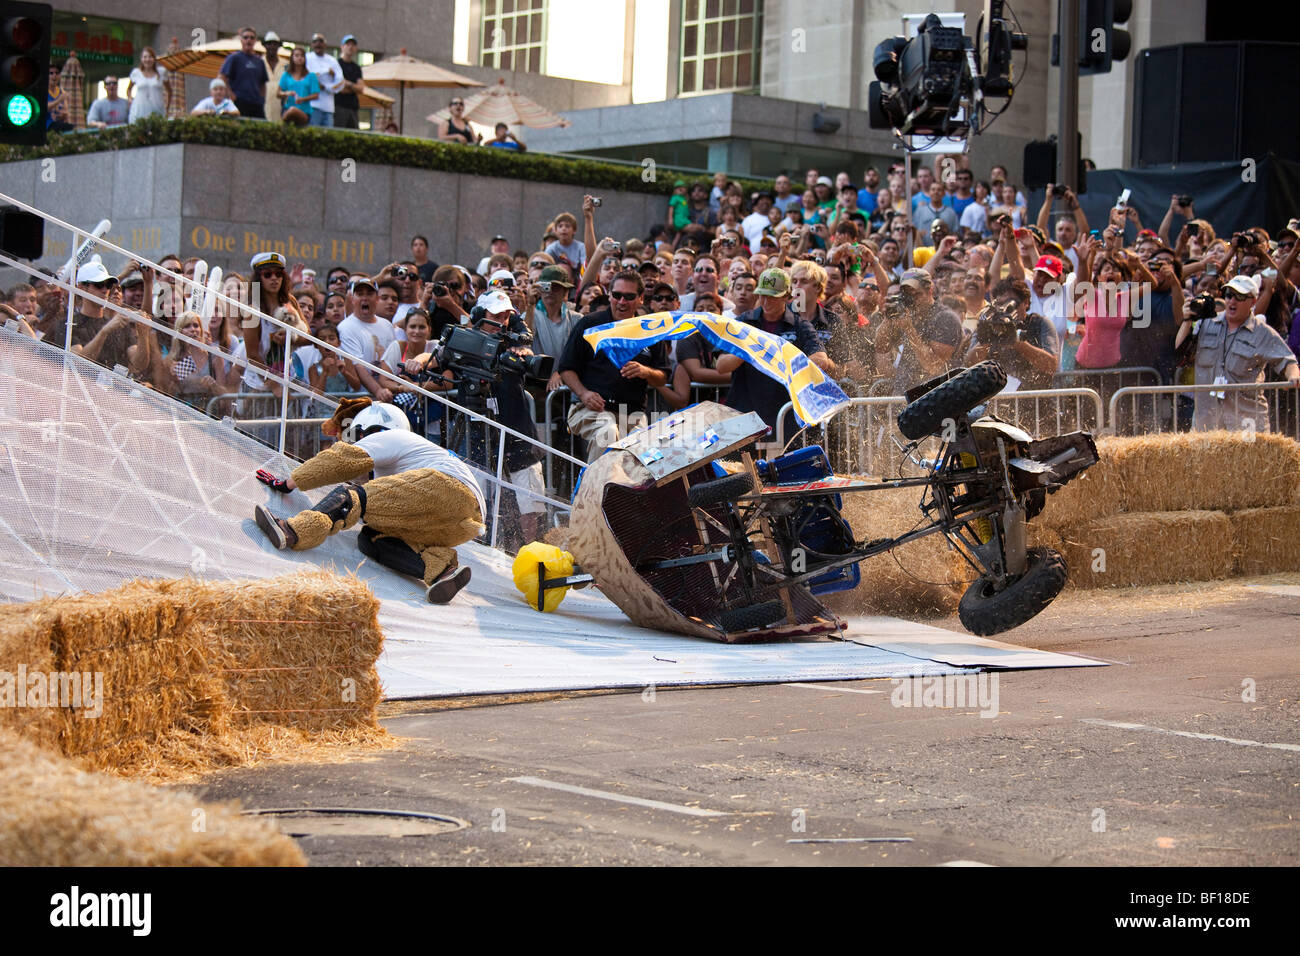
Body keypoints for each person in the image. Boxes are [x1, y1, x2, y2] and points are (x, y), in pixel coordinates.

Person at [253, 399, 486, 604]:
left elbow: (342, 460)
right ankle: (443, 571)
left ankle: (293, 530)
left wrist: (288, 483)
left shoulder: (390, 436)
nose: (357, 442)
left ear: (371, 429)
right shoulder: (412, 458)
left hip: (445, 486)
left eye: (358, 436)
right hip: (465, 521)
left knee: (352, 496)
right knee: (372, 537)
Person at [558, 271, 668, 463]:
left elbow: (663, 376)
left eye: (629, 296)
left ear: (641, 299)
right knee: (607, 432)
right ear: (609, 295)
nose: (622, 301)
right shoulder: (590, 324)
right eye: (616, 295)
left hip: (632, 413)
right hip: (590, 408)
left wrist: (645, 371)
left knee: (642, 452)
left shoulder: (650, 330)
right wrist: (584, 394)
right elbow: (566, 368)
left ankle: (627, 493)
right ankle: (594, 492)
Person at [717, 268, 829, 438]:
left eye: (773, 297)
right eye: (763, 295)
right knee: (742, 465)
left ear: (786, 296)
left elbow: (821, 359)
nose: (766, 301)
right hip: (745, 413)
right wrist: (749, 349)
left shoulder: (801, 326)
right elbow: (721, 366)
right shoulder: (742, 324)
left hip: (786, 416)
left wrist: (787, 360)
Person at [1190, 275, 1299, 432]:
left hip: (1247, 420)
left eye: (1240, 297)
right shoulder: (1206, 323)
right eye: (1229, 295)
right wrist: (1187, 319)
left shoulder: (1263, 332)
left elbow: (1288, 361)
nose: (1232, 301)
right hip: (1207, 418)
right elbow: (1180, 352)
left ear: (1253, 301)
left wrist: (1293, 375)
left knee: (1251, 456)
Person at [963, 278, 1059, 391]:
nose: (1004, 309)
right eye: (1000, 304)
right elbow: (969, 365)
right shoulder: (988, 324)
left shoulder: (1040, 323)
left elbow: (1051, 365)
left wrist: (1017, 342)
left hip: (1036, 400)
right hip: (996, 400)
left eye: (1010, 304)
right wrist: (985, 341)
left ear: (1026, 303)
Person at [219, 26, 268, 119]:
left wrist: (262, 99)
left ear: (255, 41)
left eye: (252, 37)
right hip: (239, 101)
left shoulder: (260, 61)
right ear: (241, 40)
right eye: (246, 37)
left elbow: (263, 83)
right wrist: (230, 94)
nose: (249, 40)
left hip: (256, 103)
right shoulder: (233, 58)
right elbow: (221, 77)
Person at [304, 33, 344, 128]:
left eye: (321, 41)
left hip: (328, 107)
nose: (318, 44)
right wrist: (317, 82)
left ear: (325, 45)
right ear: (311, 45)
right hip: (312, 105)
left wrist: (325, 86)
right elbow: (303, 77)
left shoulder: (332, 61)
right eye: (315, 42)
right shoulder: (307, 58)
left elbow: (340, 82)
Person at [277, 47, 319, 126]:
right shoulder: (286, 75)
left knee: (293, 110)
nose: (300, 58)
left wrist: (302, 99)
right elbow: (278, 93)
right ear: (292, 58)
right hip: (287, 108)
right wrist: (287, 93)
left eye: (302, 56)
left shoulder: (311, 76)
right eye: (297, 55)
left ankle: (281, 125)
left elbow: (316, 95)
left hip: (304, 112)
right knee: (291, 111)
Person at [126, 48, 169, 123]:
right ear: (141, 59)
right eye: (145, 57)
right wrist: (130, 98)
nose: (147, 59)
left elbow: (169, 91)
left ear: (154, 59)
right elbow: (129, 89)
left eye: (150, 57)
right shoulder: (136, 73)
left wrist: (167, 106)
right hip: (138, 110)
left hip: (157, 109)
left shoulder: (162, 72)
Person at [333, 35, 364, 129]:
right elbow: (338, 87)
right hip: (338, 106)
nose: (350, 47)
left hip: (353, 108)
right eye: (348, 44)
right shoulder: (336, 64)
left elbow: (361, 89)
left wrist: (348, 84)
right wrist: (353, 87)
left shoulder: (356, 68)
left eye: (353, 45)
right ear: (342, 47)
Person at [260, 31, 285, 124]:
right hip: (263, 103)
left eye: (275, 44)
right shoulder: (259, 62)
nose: (272, 46)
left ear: (278, 46)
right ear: (265, 46)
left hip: (280, 106)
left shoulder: (286, 65)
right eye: (269, 44)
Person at [47, 64, 73, 133]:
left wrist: (63, 115)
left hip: (58, 124)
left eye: (57, 73)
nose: (54, 75)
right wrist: (59, 100)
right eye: (51, 73)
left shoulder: (62, 92)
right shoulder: (42, 91)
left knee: (70, 127)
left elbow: (66, 112)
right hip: (46, 125)